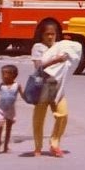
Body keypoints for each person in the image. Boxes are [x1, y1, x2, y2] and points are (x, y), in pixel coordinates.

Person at [31, 22, 73, 158]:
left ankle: (55, 143)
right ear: (42, 35)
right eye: (47, 34)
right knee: (39, 118)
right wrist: (56, 60)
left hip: (57, 86)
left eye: (52, 34)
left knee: (63, 114)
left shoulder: (59, 47)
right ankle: (37, 146)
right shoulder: (38, 47)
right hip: (42, 86)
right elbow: (39, 67)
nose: (50, 37)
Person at [0, 64, 25, 153]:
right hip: (1, 109)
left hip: (11, 110)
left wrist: (29, 99)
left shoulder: (17, 85)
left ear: (13, 75)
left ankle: (6, 146)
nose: (3, 76)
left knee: (8, 128)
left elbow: (23, 95)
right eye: (2, 74)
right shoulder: (2, 85)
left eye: (6, 74)